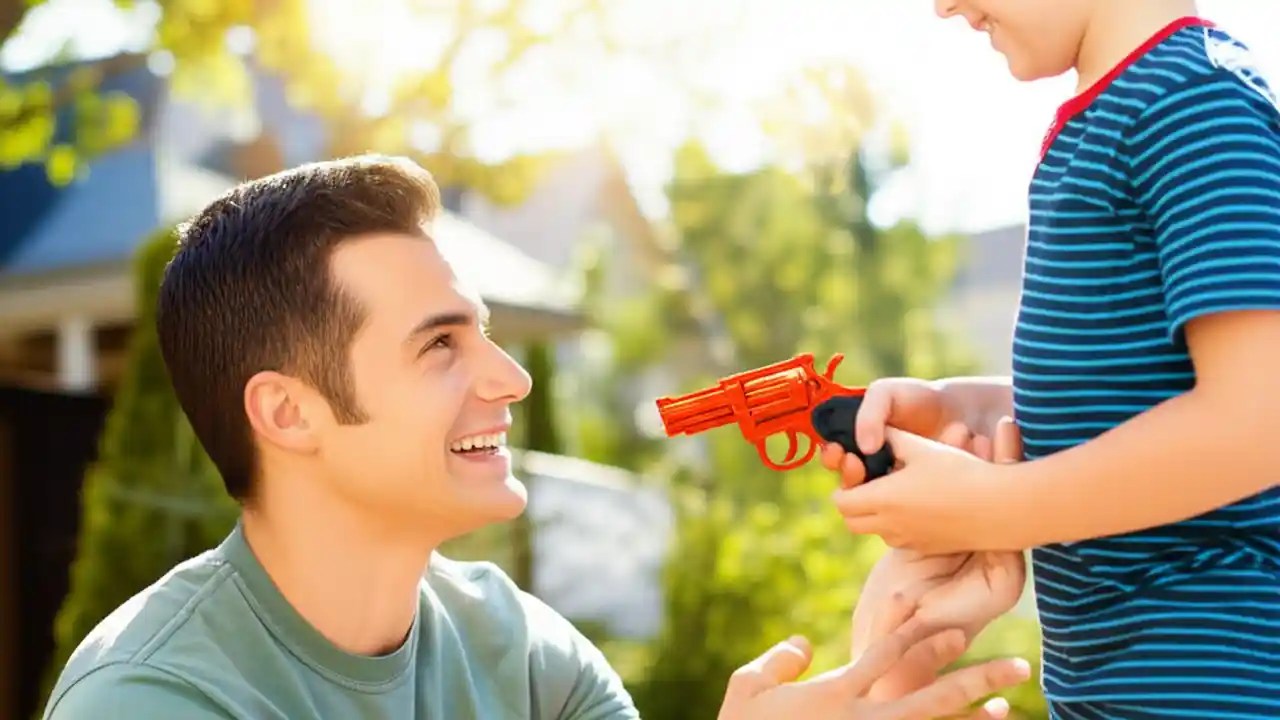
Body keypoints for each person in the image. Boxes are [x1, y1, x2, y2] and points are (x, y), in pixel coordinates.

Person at [40, 155, 1031, 720]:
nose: (510, 378)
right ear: (287, 413)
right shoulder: (150, 699)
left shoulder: (517, 649)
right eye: (439, 345)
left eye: (484, 332)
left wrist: (888, 655)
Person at [826, 1, 1280, 718]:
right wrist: (966, 408)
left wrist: (992, 511)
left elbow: (1259, 420)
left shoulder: (1194, 104)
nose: (943, 6)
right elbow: (1140, 390)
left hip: (1222, 684)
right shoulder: (1118, 115)